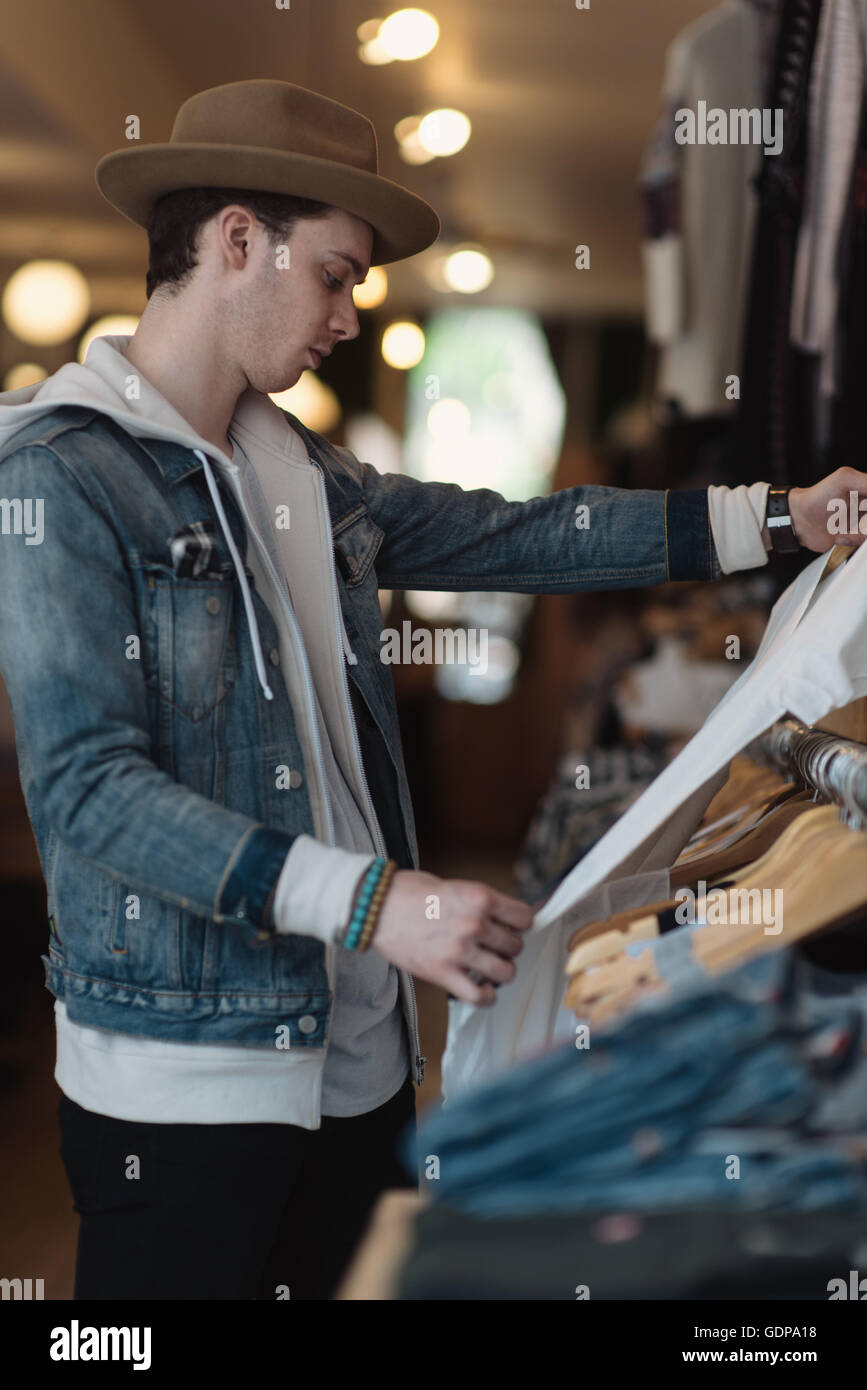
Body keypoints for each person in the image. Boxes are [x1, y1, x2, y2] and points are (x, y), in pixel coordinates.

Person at [0, 79, 864, 1302]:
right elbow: (89, 792)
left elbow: (521, 534)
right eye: (338, 275)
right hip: (185, 1093)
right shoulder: (60, 478)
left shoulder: (303, 470)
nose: (351, 314)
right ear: (238, 240)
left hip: (361, 1075)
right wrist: (375, 904)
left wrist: (782, 515)